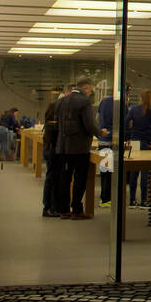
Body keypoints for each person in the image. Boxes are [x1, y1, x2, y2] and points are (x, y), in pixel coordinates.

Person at [55, 78, 108, 219]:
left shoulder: (61, 101)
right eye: (90, 90)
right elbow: (89, 124)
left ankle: (64, 210)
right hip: (79, 148)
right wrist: (100, 132)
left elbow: (57, 123)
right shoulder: (84, 102)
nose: (90, 93)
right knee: (79, 179)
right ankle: (77, 210)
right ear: (85, 88)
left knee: (65, 178)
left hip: (63, 147)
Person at [127, 90, 151, 207]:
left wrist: (130, 136)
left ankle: (131, 200)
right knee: (145, 172)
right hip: (147, 142)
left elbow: (126, 123)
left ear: (141, 98)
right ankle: (144, 200)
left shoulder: (133, 109)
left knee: (134, 172)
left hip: (135, 142)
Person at [41, 97, 61, 217]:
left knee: (50, 178)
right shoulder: (54, 126)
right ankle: (49, 207)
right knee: (52, 179)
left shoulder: (48, 124)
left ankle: (49, 206)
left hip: (48, 151)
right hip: (53, 152)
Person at [96, 91, 116, 207]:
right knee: (115, 172)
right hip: (115, 141)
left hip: (103, 141)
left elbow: (97, 118)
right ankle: (110, 198)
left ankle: (104, 199)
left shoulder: (103, 102)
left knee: (105, 171)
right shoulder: (120, 103)